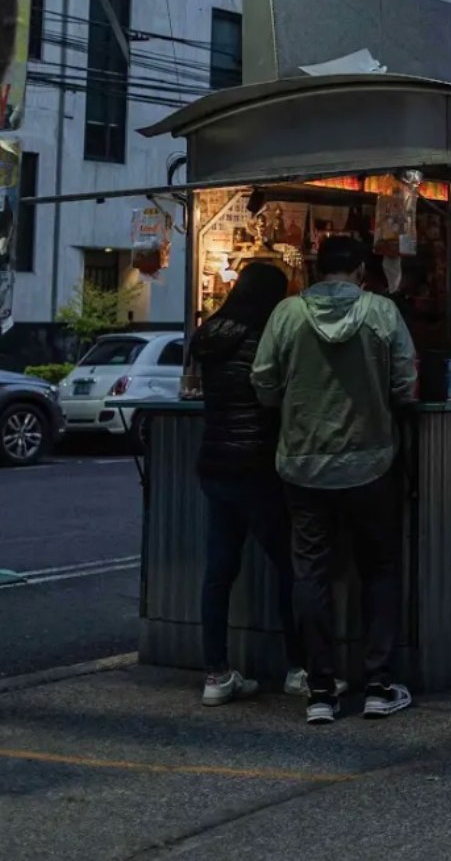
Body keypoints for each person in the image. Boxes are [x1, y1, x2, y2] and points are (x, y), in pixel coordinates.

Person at [253, 235, 419, 724]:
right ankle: (379, 684)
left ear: (314, 270)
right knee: (379, 571)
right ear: (362, 270)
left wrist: (292, 402)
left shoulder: (287, 315)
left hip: (302, 465)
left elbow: (262, 380)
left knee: (311, 575)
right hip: (370, 465)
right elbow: (406, 384)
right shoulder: (381, 312)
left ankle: (320, 690)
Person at [190, 262, 302, 705]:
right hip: (259, 465)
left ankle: (216, 673)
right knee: (291, 567)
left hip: (215, 465)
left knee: (219, 572)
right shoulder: (267, 336)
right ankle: (299, 666)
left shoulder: (212, 334)